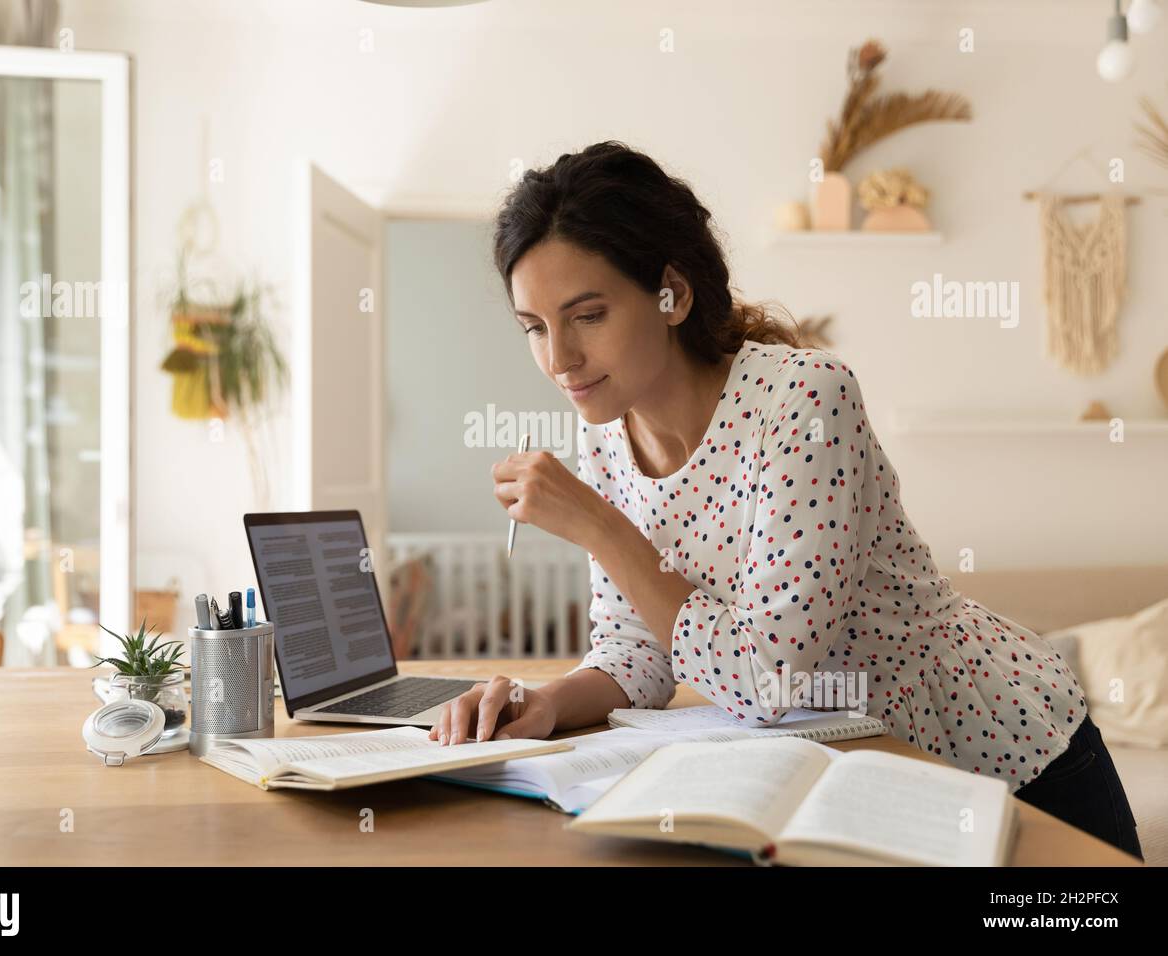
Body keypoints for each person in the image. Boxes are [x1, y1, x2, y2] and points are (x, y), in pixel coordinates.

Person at [428, 141, 1142, 860]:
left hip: (1001, 753)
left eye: (586, 316)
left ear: (671, 292)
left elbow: (766, 678)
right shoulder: (607, 441)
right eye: (534, 327)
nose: (558, 360)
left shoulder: (804, 400)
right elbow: (639, 650)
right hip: (851, 770)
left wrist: (598, 525)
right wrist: (545, 703)